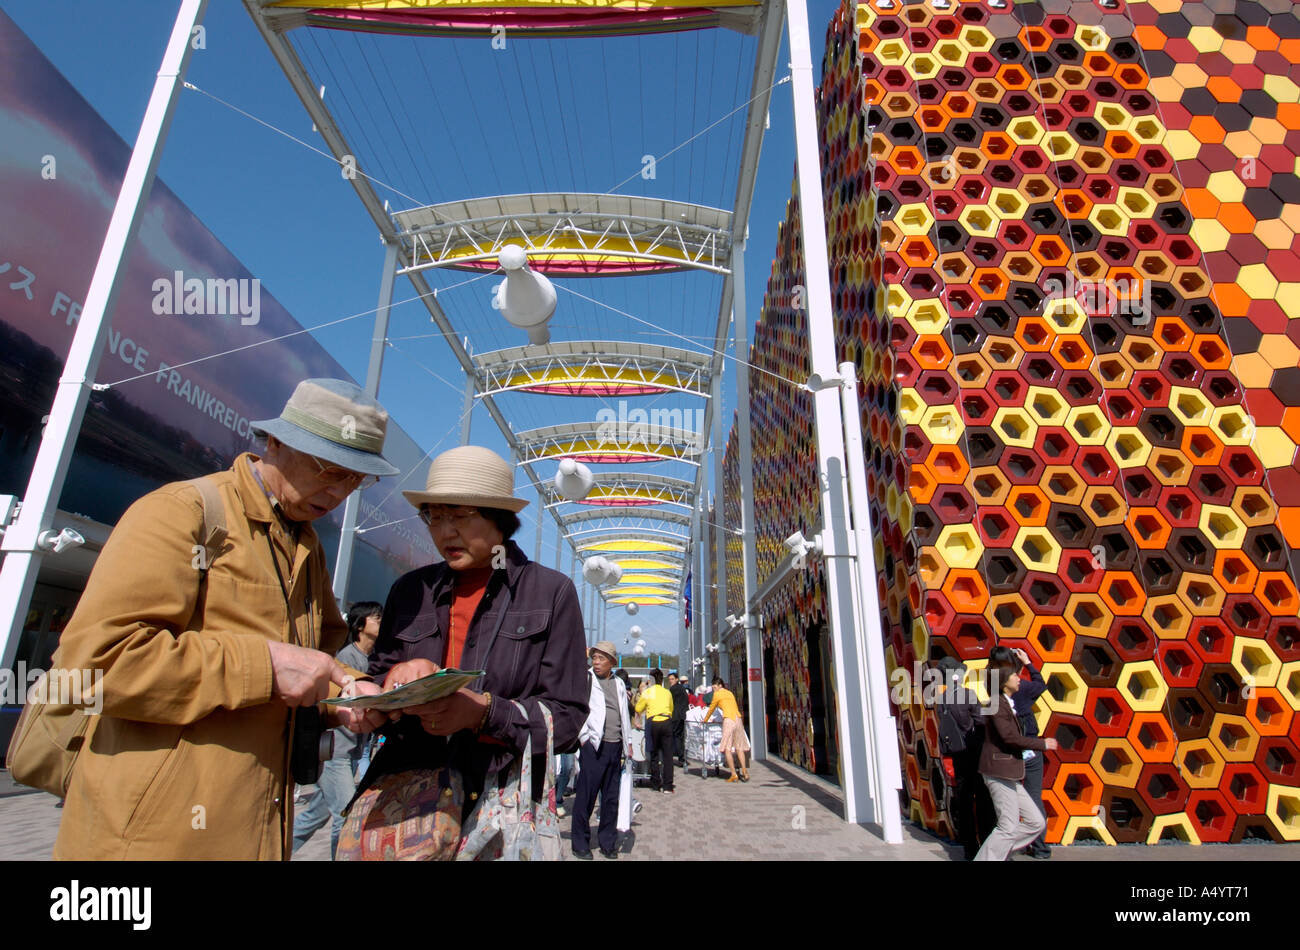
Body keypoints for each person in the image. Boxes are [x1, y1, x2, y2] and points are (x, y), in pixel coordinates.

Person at [51, 379, 399, 859]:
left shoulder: (308, 547)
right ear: (274, 442)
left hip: (255, 830)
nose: (339, 491)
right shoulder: (184, 511)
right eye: (328, 469)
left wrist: (344, 700)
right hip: (153, 841)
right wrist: (266, 667)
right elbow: (92, 668)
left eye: (356, 479)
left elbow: (304, 675)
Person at [341, 445, 589, 856]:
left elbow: (566, 719)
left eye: (459, 516)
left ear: (500, 520)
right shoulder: (410, 592)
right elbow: (379, 676)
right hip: (411, 811)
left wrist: (484, 713)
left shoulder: (550, 593)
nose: (444, 532)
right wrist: (380, 694)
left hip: (498, 807)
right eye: (434, 517)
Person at [291, 601, 382, 857]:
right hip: (335, 753)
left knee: (313, 818)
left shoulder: (371, 657)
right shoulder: (345, 658)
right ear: (360, 626)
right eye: (376, 618)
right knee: (347, 815)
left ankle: (281, 850)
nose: (381, 622)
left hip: (352, 750)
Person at [973, 650, 1059, 861]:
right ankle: (990, 855)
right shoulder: (996, 703)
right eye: (1014, 676)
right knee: (1007, 827)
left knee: (1035, 823)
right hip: (999, 771)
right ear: (1004, 682)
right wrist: (1042, 744)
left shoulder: (1007, 701)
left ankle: (998, 850)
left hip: (1011, 770)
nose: (1018, 678)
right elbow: (1009, 737)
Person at [571, 642, 633, 859]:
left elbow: (624, 714)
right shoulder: (587, 680)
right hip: (594, 747)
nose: (596, 663)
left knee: (611, 799)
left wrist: (629, 743)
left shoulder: (618, 684)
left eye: (601, 659)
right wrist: (583, 738)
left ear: (612, 663)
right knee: (586, 797)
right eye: (594, 658)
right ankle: (580, 843)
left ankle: (608, 843)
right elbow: (576, 710)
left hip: (616, 747)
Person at [934, 655, 994, 861]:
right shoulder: (968, 696)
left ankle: (970, 848)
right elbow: (981, 722)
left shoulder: (941, 700)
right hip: (975, 754)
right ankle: (987, 843)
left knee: (965, 801)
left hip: (958, 757)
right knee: (984, 800)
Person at [1003, 646, 1051, 859]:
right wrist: (1028, 662)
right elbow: (1042, 685)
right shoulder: (1024, 689)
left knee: (1010, 798)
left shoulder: (996, 690)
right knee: (1033, 797)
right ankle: (1040, 848)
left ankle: (1011, 845)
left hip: (1009, 750)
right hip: (1031, 747)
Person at [704, 676, 750, 782]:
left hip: (728, 720)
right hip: (737, 719)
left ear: (720, 686)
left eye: (714, 687)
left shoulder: (717, 694)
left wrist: (705, 719)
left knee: (727, 748)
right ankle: (744, 770)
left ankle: (733, 774)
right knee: (739, 747)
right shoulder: (730, 693)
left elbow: (711, 708)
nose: (714, 689)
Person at [636, 668, 674, 793]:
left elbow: (638, 708)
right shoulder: (667, 692)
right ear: (662, 680)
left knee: (654, 753)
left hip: (653, 722)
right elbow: (671, 708)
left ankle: (656, 783)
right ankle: (668, 786)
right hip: (666, 720)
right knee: (668, 755)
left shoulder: (648, 692)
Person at [668, 672, 690, 767]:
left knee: (675, 736)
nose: (670, 681)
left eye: (672, 679)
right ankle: (682, 757)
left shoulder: (673, 689)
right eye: (669, 679)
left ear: (677, 679)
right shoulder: (682, 688)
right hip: (682, 715)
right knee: (680, 736)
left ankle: (677, 755)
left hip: (675, 715)